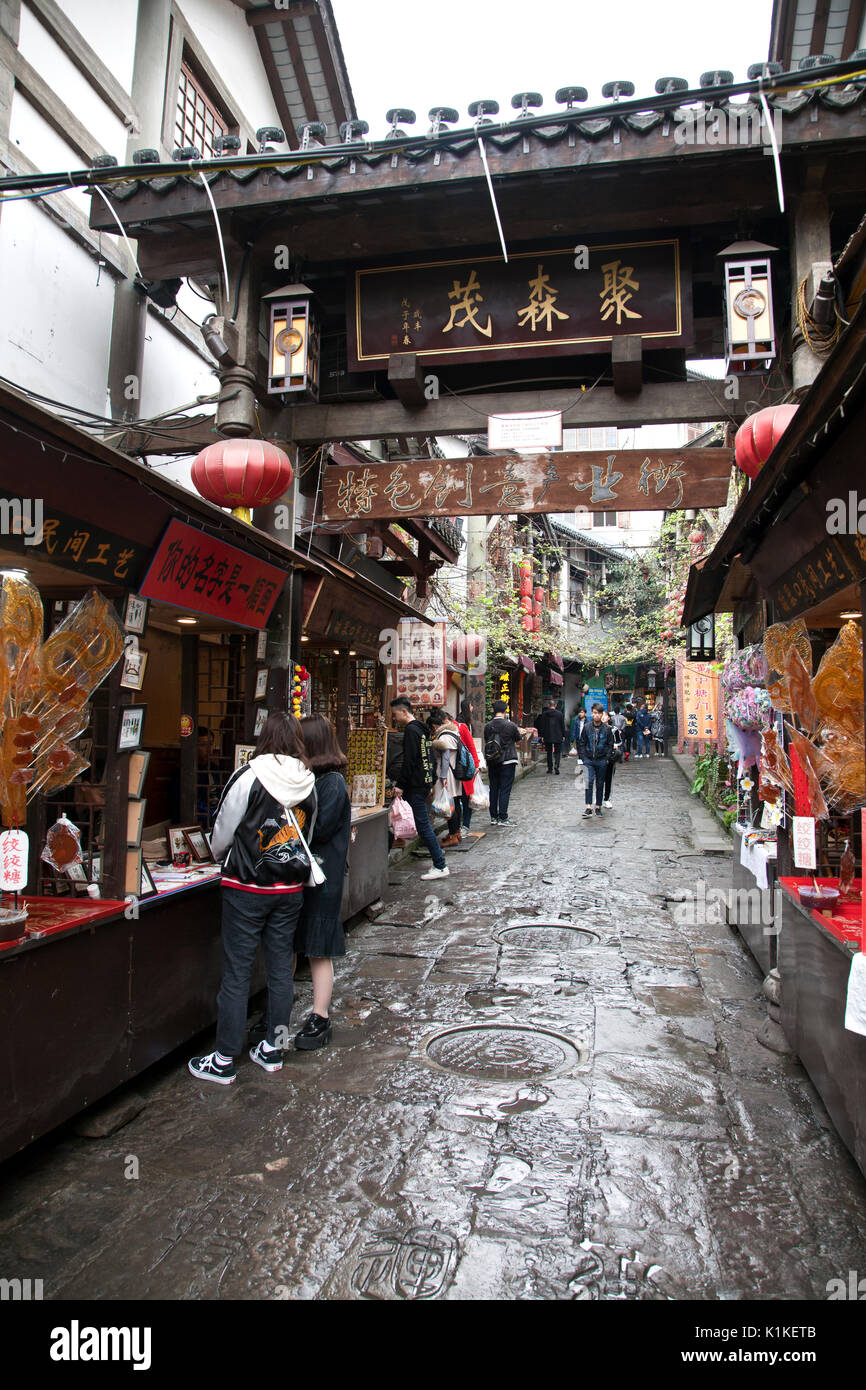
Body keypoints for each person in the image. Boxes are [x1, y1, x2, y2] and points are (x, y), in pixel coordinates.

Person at [188, 712, 317, 1085]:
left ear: (265, 736)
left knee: (237, 972)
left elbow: (223, 831)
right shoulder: (308, 780)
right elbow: (311, 829)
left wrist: (218, 855)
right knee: (281, 968)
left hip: (246, 887)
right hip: (289, 891)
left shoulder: (250, 775)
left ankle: (225, 1058)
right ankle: (274, 1049)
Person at [292, 714, 352, 1051]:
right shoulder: (311, 779)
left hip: (321, 878)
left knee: (318, 945)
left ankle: (320, 1015)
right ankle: (280, 1007)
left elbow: (317, 831)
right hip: (300, 875)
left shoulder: (331, 783)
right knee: (291, 941)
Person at [390, 696, 449, 879]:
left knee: (423, 826)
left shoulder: (411, 731)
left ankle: (440, 865)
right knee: (422, 824)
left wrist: (400, 784)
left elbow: (410, 760)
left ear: (404, 711)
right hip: (423, 783)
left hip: (416, 785)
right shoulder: (422, 729)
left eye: (395, 714)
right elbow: (429, 756)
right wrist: (431, 780)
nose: (394, 718)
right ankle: (439, 864)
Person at [483, 699, 530, 826]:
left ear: (494, 710)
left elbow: (487, 739)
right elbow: (517, 739)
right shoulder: (510, 725)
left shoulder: (488, 726)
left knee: (493, 788)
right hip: (507, 760)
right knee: (505, 789)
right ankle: (503, 817)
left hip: (492, 760)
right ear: (505, 710)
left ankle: (493, 817)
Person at [428, 709, 463, 848]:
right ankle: (456, 832)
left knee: (449, 806)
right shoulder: (454, 732)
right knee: (454, 802)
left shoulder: (444, 736)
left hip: (447, 773)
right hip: (453, 772)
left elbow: (446, 756)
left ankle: (453, 835)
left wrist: (442, 776)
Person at [578, 702, 613, 818]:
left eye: (598, 713)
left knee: (600, 783)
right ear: (592, 714)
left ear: (602, 714)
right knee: (589, 782)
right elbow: (582, 742)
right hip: (589, 759)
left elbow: (610, 744)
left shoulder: (607, 729)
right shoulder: (587, 727)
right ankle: (588, 806)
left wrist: (606, 758)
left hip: (601, 760)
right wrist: (583, 757)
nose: (596, 715)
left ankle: (598, 806)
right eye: (594, 713)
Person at [536, 698, 566, 775]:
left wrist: (542, 735)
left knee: (549, 752)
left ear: (548, 705)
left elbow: (542, 726)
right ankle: (556, 766)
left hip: (547, 735)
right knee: (557, 752)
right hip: (558, 735)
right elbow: (562, 726)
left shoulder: (544, 714)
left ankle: (550, 768)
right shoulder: (560, 714)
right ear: (555, 706)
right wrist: (563, 735)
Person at [601, 708, 623, 808]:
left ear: (608, 717)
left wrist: (614, 745)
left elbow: (619, 741)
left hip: (610, 757)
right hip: (599, 756)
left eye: (604, 715)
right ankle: (598, 798)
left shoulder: (614, 729)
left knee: (608, 778)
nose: (602, 717)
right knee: (599, 778)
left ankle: (607, 798)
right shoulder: (596, 728)